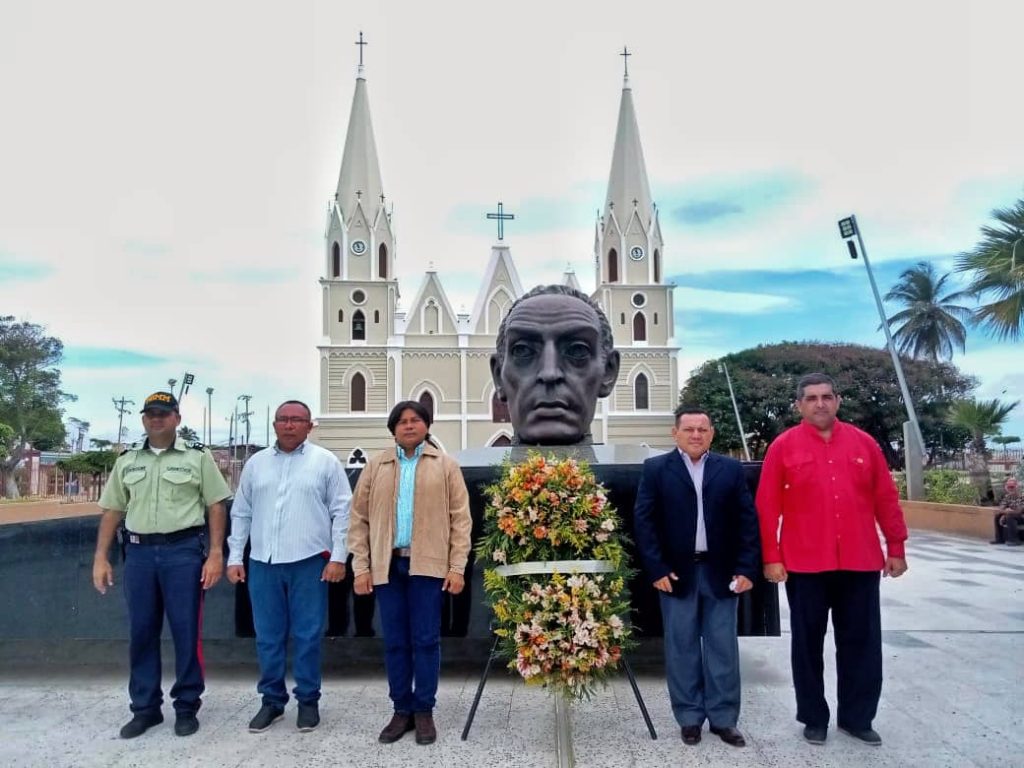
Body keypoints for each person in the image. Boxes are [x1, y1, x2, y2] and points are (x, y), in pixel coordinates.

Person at [756, 373, 908, 747]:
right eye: (811, 398)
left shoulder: (864, 444)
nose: (819, 403)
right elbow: (766, 505)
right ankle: (813, 717)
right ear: (799, 405)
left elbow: (885, 498)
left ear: (837, 400)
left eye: (826, 396)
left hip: (859, 561)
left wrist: (897, 547)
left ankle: (857, 718)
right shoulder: (783, 447)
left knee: (862, 643)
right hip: (804, 564)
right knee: (806, 645)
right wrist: (771, 557)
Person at [93, 391, 231, 739]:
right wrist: (100, 558)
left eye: (164, 413)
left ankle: (186, 706)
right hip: (138, 555)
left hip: (182, 552)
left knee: (186, 632)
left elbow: (216, 505)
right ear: (143, 419)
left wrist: (215, 554)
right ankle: (145, 709)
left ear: (177, 419)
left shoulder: (197, 458)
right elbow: (113, 510)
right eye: (151, 414)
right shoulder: (127, 460)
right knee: (141, 633)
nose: (157, 419)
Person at [633, 406, 760, 748]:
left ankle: (723, 719)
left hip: (721, 574)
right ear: (675, 433)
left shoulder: (730, 470)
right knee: (682, 647)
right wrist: (657, 569)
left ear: (711, 434)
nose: (695, 435)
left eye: (702, 429)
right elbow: (644, 523)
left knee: (722, 648)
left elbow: (747, 521)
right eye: (688, 429)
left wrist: (747, 569)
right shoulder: (657, 469)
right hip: (676, 575)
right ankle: (689, 717)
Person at [348, 401, 472, 745]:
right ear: (393, 428)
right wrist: (361, 567)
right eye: (401, 421)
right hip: (387, 566)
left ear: (426, 425)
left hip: (428, 567)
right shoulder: (376, 466)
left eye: (415, 420)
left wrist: (456, 567)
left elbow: (461, 520)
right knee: (397, 642)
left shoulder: (445, 466)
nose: (408, 426)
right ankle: (401, 709)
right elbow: (358, 520)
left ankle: (424, 710)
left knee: (426, 641)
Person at [226, 400, 352, 733]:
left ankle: (308, 702)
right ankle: (272, 702)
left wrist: (340, 556)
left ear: (310, 426)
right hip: (263, 564)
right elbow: (241, 512)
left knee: (308, 637)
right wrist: (235, 556)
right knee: (267, 637)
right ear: (274, 424)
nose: (289, 424)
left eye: (297, 419)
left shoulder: (324, 463)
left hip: (309, 563)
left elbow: (343, 512)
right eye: (282, 419)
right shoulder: (256, 464)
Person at [490, 284, 620, 445]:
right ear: (498, 377)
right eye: (523, 351)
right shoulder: (454, 471)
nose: (549, 373)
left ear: (608, 372)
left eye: (577, 351)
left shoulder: (651, 470)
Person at [992, 477, 1023, 546]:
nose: (1010, 489)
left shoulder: (1022, 497)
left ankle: (1014, 540)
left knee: (1010, 516)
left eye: (1012, 487)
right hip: (1014, 516)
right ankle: (1000, 539)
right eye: (1009, 487)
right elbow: (1000, 509)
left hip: (1022, 517)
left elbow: (1019, 511)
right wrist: (1004, 513)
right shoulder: (1007, 497)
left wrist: (1006, 513)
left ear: (1017, 487)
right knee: (997, 516)